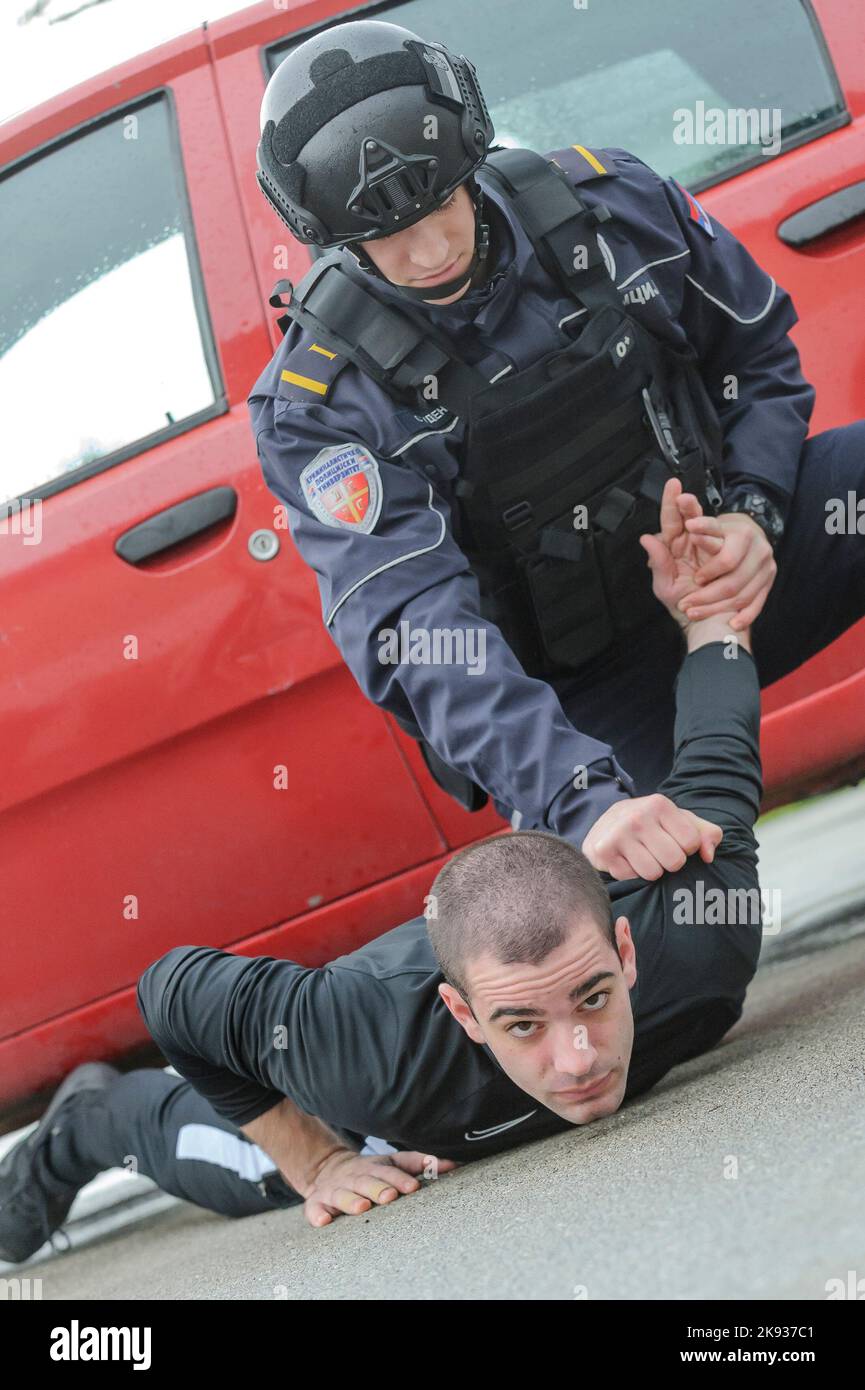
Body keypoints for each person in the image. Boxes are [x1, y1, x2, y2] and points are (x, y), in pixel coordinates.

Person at [0, 481, 766, 1260]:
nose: (577, 1059)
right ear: (464, 1016)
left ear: (627, 953)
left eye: (593, 998)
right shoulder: (364, 1054)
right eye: (522, 1025)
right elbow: (172, 993)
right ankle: (75, 1131)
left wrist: (703, 608)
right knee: (225, 1162)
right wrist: (319, 1161)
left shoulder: (703, 930)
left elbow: (717, 743)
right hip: (363, 1116)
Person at [248, 17, 865, 876]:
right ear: (331, 234)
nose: (425, 252)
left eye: (437, 207)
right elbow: (420, 632)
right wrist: (583, 801)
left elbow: (756, 357)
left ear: (469, 155)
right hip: (581, 707)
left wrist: (755, 513)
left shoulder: (611, 206)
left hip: (727, 572)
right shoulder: (320, 406)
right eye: (386, 237)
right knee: (681, 946)